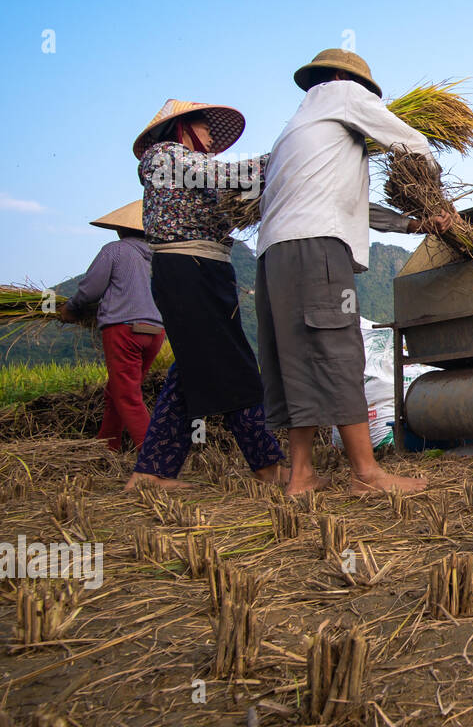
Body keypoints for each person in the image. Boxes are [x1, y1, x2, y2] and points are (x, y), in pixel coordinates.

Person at [257, 49, 449, 496]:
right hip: (317, 247)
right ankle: (367, 474)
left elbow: (351, 203)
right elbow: (413, 144)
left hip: (275, 253)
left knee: (294, 356)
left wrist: (410, 224)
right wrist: (435, 201)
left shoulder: (295, 129)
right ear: (344, 77)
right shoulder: (342, 93)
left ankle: (300, 475)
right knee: (339, 349)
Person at [126, 99, 286, 490]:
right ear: (182, 128)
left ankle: (152, 472)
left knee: (192, 371)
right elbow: (228, 174)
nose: (213, 136)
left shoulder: (195, 175)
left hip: (206, 271)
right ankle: (267, 465)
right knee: (235, 366)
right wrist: (292, 150)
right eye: (206, 127)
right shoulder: (164, 156)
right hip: (187, 270)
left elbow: (241, 195)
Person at [60, 201, 165, 452]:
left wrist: (72, 308)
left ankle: (154, 457)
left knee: (127, 395)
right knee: (117, 391)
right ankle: (108, 446)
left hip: (124, 331)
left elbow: (90, 290)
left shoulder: (115, 251)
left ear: (120, 229)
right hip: (156, 332)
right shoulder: (161, 258)